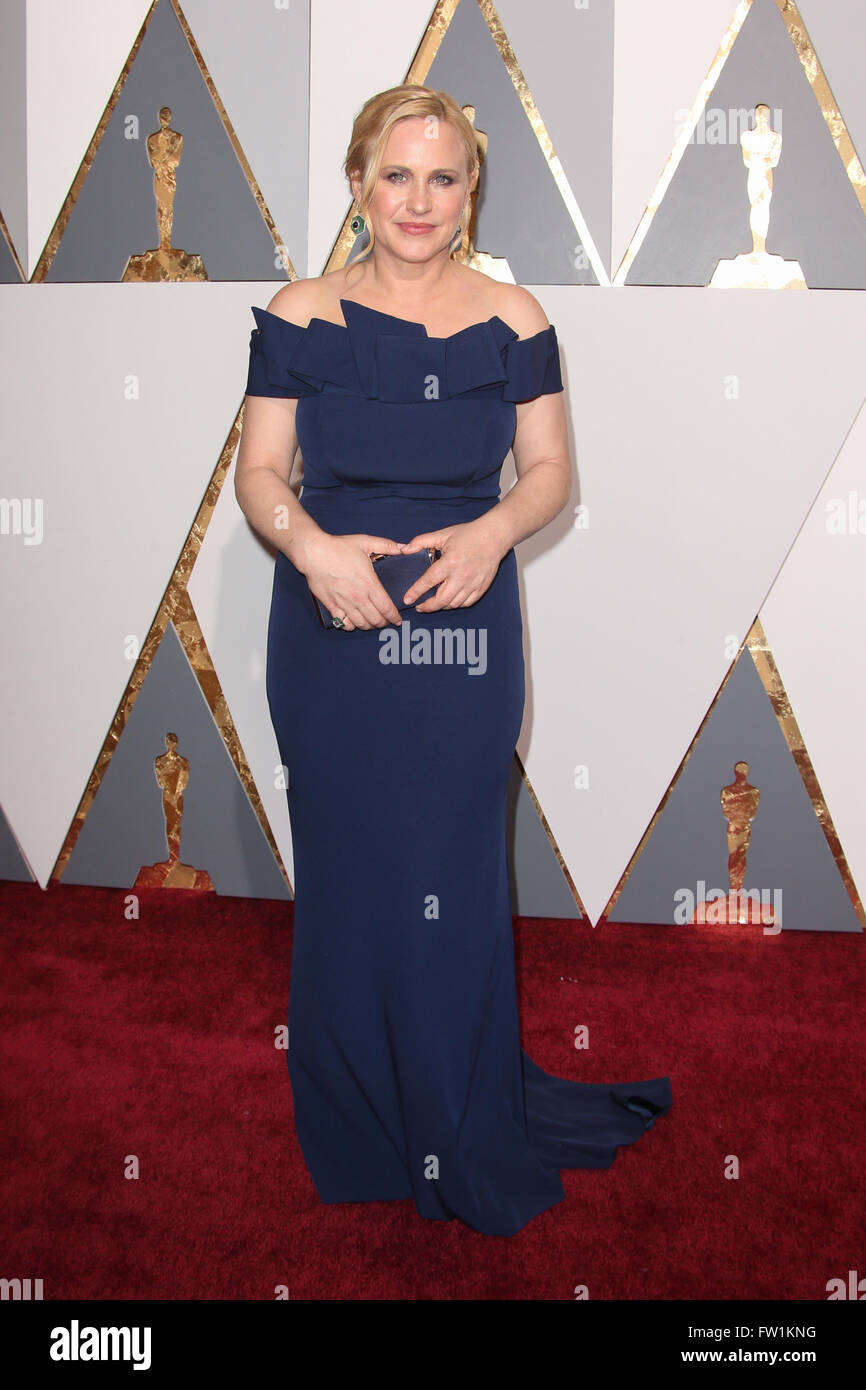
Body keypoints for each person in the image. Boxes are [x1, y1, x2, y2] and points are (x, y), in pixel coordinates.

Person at [234, 84, 672, 1237]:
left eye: (442, 177)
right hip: (326, 626)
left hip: (463, 630)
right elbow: (259, 477)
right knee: (347, 870)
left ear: (470, 190)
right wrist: (314, 551)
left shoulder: (516, 320)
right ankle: (360, 1120)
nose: (417, 200)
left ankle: (452, 1102)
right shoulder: (295, 312)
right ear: (357, 182)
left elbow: (547, 474)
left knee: (451, 872)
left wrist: (487, 534)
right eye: (395, 173)